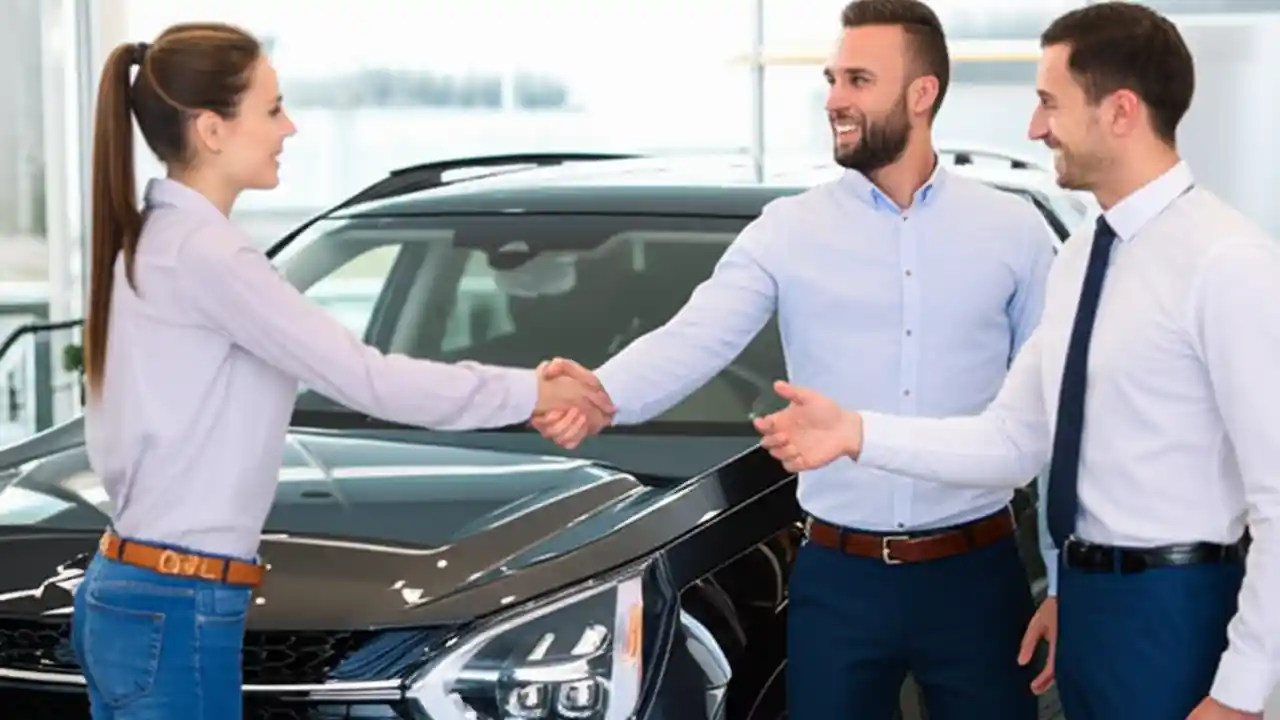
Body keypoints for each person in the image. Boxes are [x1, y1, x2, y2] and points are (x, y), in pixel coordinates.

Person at [530, 1, 1061, 716]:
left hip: (977, 574)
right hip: (840, 580)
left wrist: (1062, 580)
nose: (835, 99)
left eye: (859, 80)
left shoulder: (1013, 232)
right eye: (833, 78)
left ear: (921, 93)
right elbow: (697, 336)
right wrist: (603, 391)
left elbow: (1054, 411)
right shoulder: (789, 229)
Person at [752, 4, 1280, 719]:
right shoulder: (1083, 259)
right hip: (1091, 609)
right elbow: (1010, 440)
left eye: (1049, 103)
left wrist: (1241, 692)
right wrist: (856, 432)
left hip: (1179, 608)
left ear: (1120, 112)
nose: (1035, 127)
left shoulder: (1227, 261)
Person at [70, 23, 611, 719]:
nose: (289, 128)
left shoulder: (150, 240)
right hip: (178, 602)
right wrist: (533, 390)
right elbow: (365, 378)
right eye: (272, 109)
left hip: (133, 589)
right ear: (210, 129)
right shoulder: (209, 256)